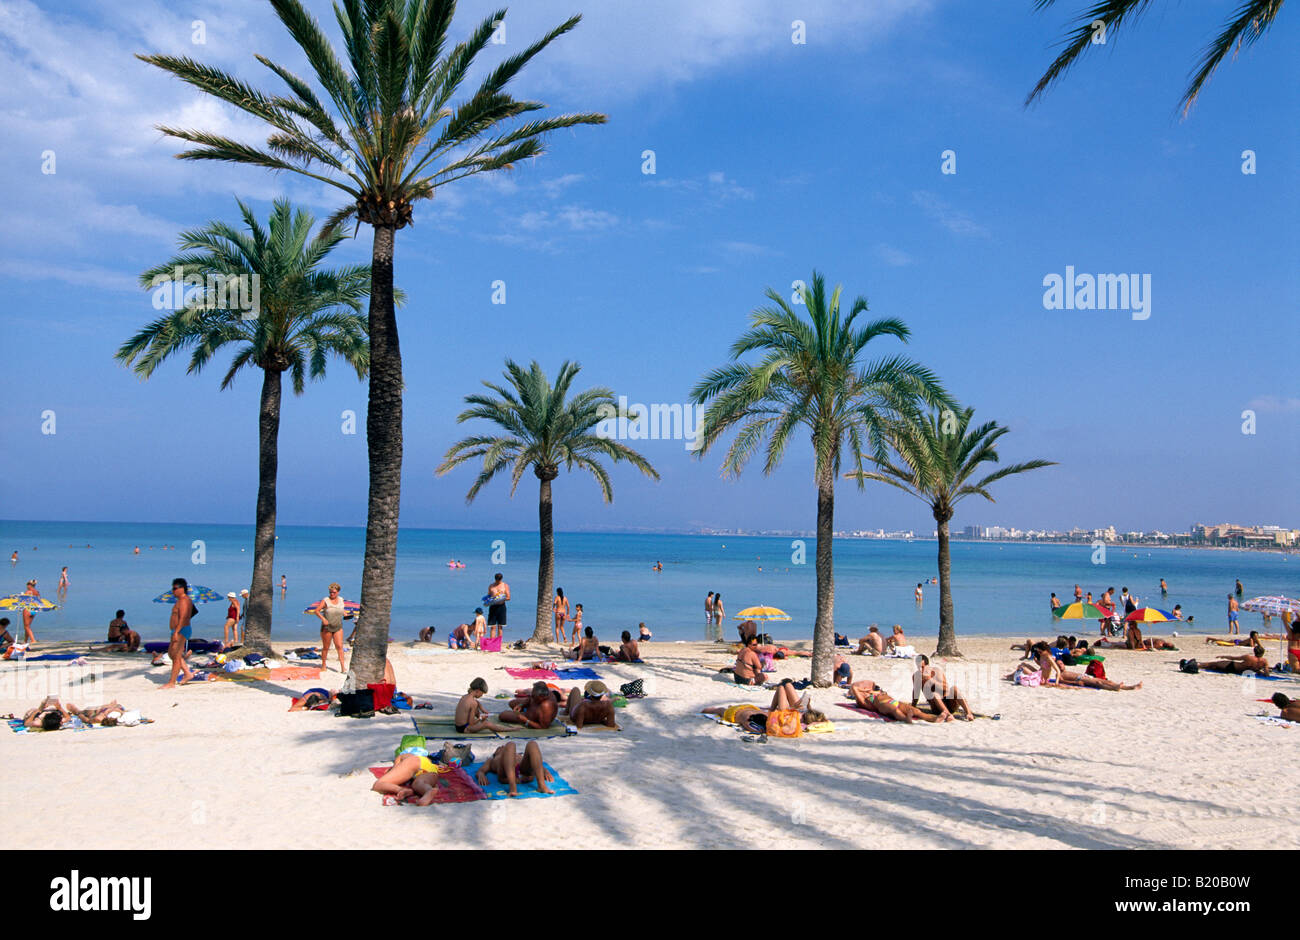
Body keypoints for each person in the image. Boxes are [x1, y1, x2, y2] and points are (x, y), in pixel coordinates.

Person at [702, 681, 828, 733]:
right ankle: (710, 709)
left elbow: (750, 725)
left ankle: (710, 709)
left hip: (746, 710)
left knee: (719, 710)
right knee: (719, 710)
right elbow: (750, 725)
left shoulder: (792, 716)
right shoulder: (745, 717)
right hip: (745, 710)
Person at [477, 741, 554, 797]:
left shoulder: (518, 755)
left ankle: (541, 785)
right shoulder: (493, 759)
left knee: (532, 744)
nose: (502, 746)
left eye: (502, 746)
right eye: (499, 748)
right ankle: (513, 787)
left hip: (523, 771)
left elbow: (535, 761)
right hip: (506, 774)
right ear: (495, 753)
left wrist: (545, 771)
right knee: (510, 744)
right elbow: (481, 770)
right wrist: (481, 775)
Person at [848, 679, 944, 723]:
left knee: (916, 711)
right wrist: (865, 691)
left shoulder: (876, 692)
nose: (866, 688)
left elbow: (871, 682)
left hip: (893, 701)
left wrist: (871, 690)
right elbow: (854, 687)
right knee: (894, 710)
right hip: (883, 705)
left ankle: (934, 719)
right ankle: (906, 719)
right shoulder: (865, 700)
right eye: (863, 688)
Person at [160, 578, 197, 689]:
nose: (173, 590)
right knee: (172, 654)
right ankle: (187, 673)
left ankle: (171, 682)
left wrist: (176, 631)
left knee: (175, 656)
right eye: (173, 588)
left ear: (182, 588)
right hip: (177, 630)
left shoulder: (185, 600)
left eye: (175, 588)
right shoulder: (180, 600)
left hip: (181, 630)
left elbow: (185, 617)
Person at [912, 655, 973, 721]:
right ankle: (948, 715)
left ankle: (968, 713)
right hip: (936, 707)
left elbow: (946, 689)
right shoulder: (917, 676)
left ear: (928, 665)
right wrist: (913, 706)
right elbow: (916, 693)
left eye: (922, 667)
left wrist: (931, 681)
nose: (921, 670)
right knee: (935, 694)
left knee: (955, 688)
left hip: (950, 703)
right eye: (918, 667)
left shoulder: (937, 672)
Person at [315, 582, 347, 673]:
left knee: (339, 646)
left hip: (338, 626)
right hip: (327, 627)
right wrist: (323, 619)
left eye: (334, 592)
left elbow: (341, 610)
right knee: (326, 647)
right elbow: (316, 611)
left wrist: (345, 614)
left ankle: (343, 667)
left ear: (338, 592)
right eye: (330, 592)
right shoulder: (326, 600)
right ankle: (323, 665)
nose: (332, 594)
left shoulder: (341, 600)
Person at [1190, 646, 1270, 676]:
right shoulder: (1264, 661)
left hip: (1232, 667)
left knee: (1214, 663)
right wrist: (1260, 672)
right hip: (1239, 672)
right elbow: (1267, 674)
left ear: (1254, 651)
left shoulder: (1248, 657)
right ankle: (1197, 665)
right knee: (1214, 667)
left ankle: (1197, 665)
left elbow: (1234, 658)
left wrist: (1223, 656)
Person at [486, 572, 510, 640]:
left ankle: (498, 642)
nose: (497, 581)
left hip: (501, 606)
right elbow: (488, 596)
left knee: (500, 626)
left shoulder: (505, 585)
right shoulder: (491, 586)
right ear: (495, 579)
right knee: (492, 626)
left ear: (501, 579)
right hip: (493, 607)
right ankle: (492, 642)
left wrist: (500, 598)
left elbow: (508, 597)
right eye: (496, 580)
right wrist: (489, 600)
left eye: (499, 580)